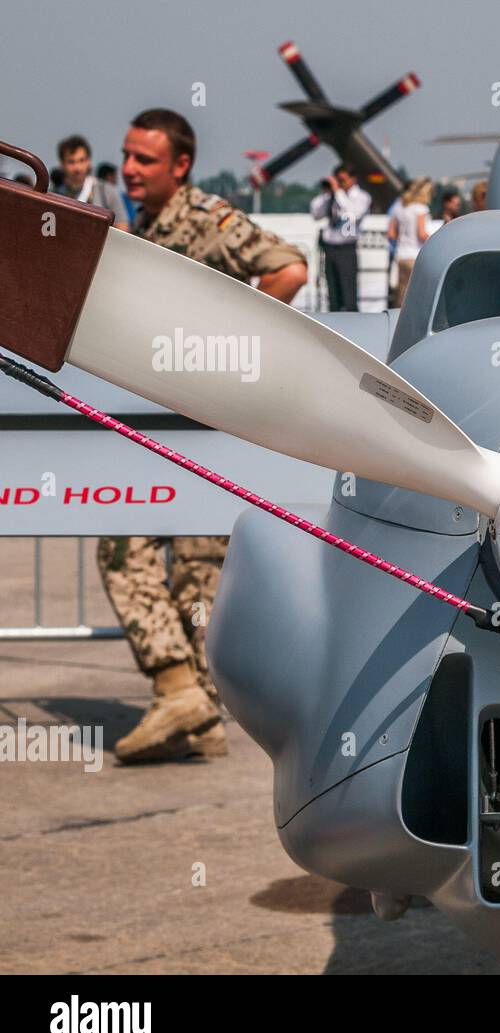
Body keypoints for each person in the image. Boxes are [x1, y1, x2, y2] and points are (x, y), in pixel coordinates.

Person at [101, 107, 307, 764]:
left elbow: (288, 268)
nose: (130, 170)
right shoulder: (146, 228)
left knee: (155, 560)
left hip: (207, 423)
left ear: (180, 165)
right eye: (128, 157)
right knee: (179, 568)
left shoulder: (207, 219)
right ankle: (196, 715)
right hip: (168, 426)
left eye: (145, 159)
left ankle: (180, 693)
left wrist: (227, 355)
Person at [311, 163, 371, 311]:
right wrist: (327, 194)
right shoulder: (331, 197)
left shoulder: (361, 197)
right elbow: (316, 214)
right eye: (337, 180)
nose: (339, 184)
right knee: (333, 293)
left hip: (347, 248)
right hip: (330, 247)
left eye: (342, 180)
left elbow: (352, 214)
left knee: (348, 292)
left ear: (353, 179)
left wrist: (338, 193)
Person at [54, 135, 129, 229]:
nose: (77, 167)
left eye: (81, 160)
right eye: (71, 162)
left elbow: (122, 227)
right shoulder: (55, 195)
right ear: (62, 164)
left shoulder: (107, 192)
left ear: (89, 161)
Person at [387, 177, 433, 307]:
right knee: (417, 297)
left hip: (401, 255)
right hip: (415, 256)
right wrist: (436, 240)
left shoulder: (400, 208)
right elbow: (422, 234)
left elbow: (391, 233)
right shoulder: (421, 209)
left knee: (401, 295)